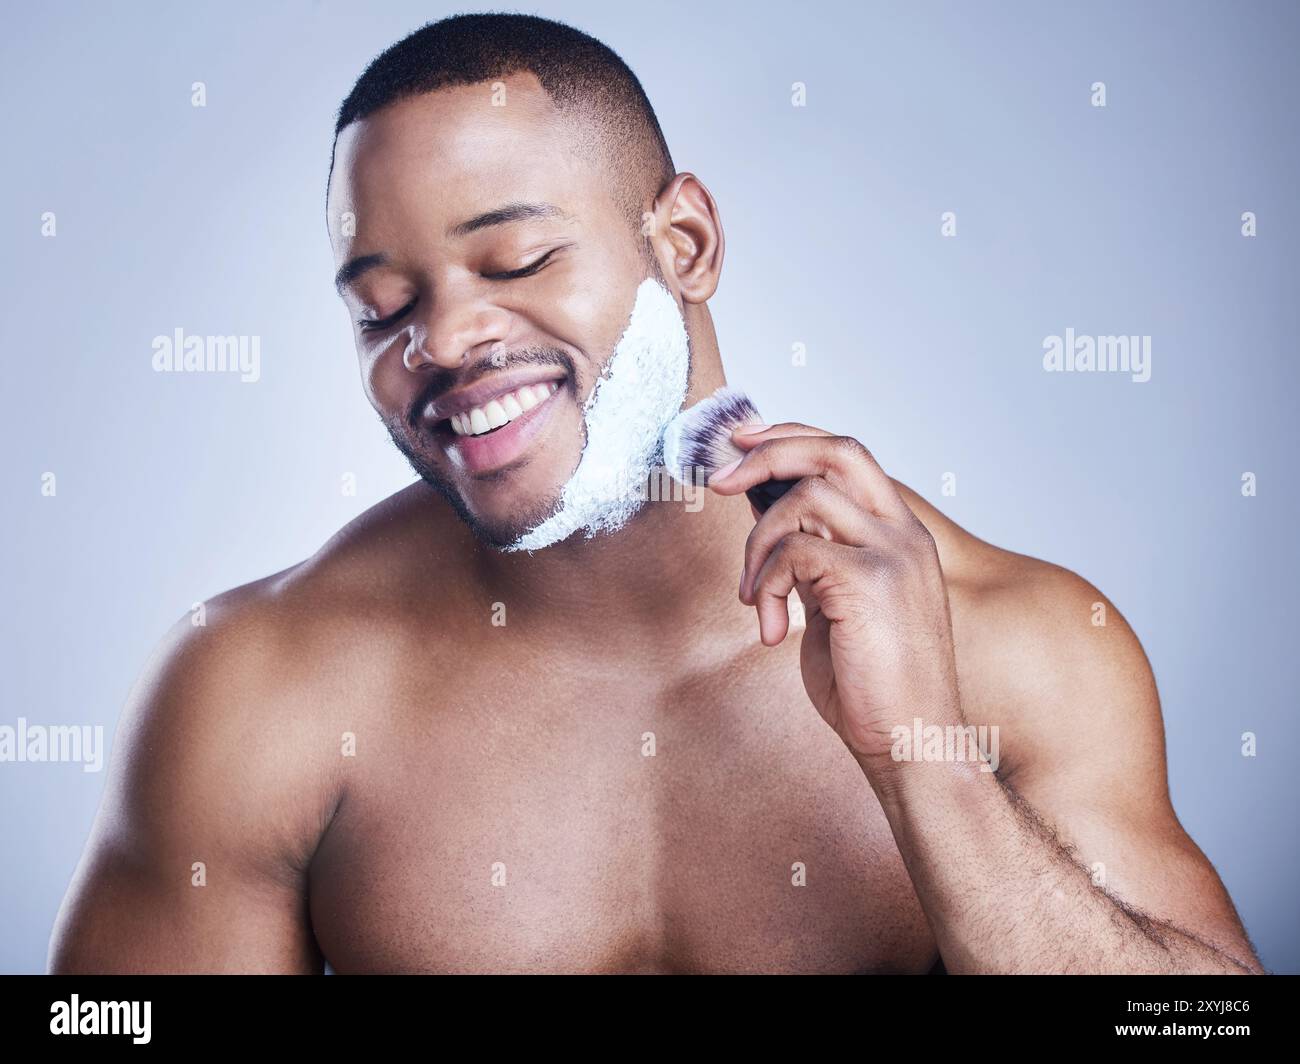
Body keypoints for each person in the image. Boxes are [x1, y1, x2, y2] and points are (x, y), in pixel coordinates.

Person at [49, 13, 1262, 974]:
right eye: (381, 305)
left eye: (517, 259)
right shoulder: (261, 681)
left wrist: (924, 764)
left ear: (682, 245)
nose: (445, 337)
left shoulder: (1016, 641)